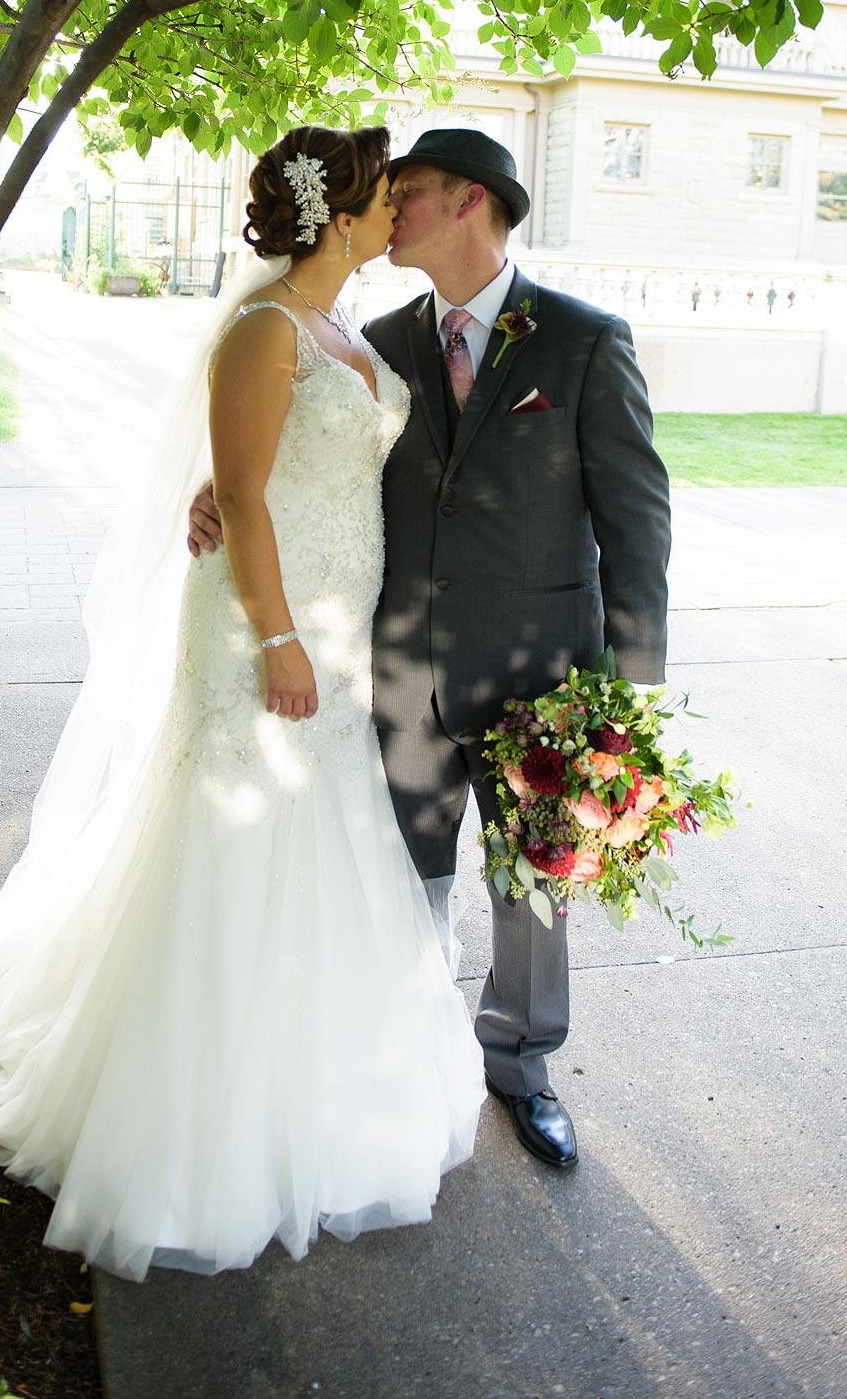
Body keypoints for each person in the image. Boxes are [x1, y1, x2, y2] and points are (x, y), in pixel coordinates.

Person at [0, 125, 483, 1282]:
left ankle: (310, 1068)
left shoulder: (346, 329)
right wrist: (280, 635)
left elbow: (280, 465)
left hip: (340, 624)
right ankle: (195, 1103)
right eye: (385, 198)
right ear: (338, 214)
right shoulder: (262, 328)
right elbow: (241, 495)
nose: (399, 212)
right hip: (264, 624)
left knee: (323, 832)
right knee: (232, 826)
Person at [191, 127, 671, 1171]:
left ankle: (521, 1063)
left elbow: (638, 522)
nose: (388, 211)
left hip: (543, 676)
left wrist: (633, 696)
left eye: (407, 193)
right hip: (397, 665)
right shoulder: (377, 339)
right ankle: (406, 1053)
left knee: (533, 885)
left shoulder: (585, 341)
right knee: (399, 869)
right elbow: (309, 452)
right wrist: (224, 491)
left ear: (468, 202)